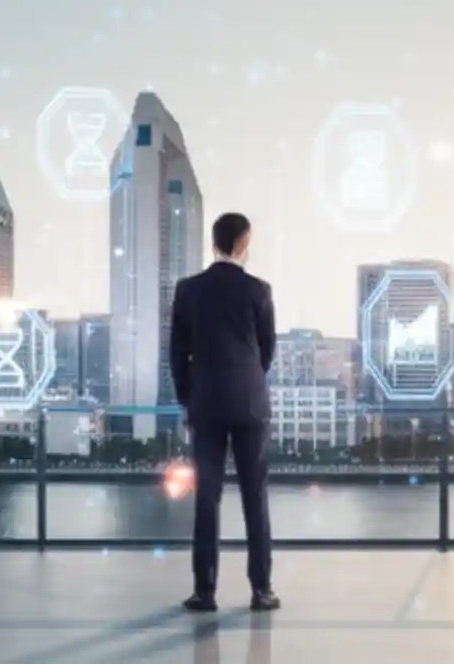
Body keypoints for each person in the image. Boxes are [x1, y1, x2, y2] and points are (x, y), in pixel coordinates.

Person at [170, 212, 280, 613]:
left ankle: (205, 591)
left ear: (214, 242)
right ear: (244, 243)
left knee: (207, 498)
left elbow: (177, 353)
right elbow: (266, 351)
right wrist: (247, 380)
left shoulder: (188, 290)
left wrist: (189, 397)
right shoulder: (259, 290)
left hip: (207, 403)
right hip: (249, 403)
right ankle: (261, 590)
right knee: (255, 497)